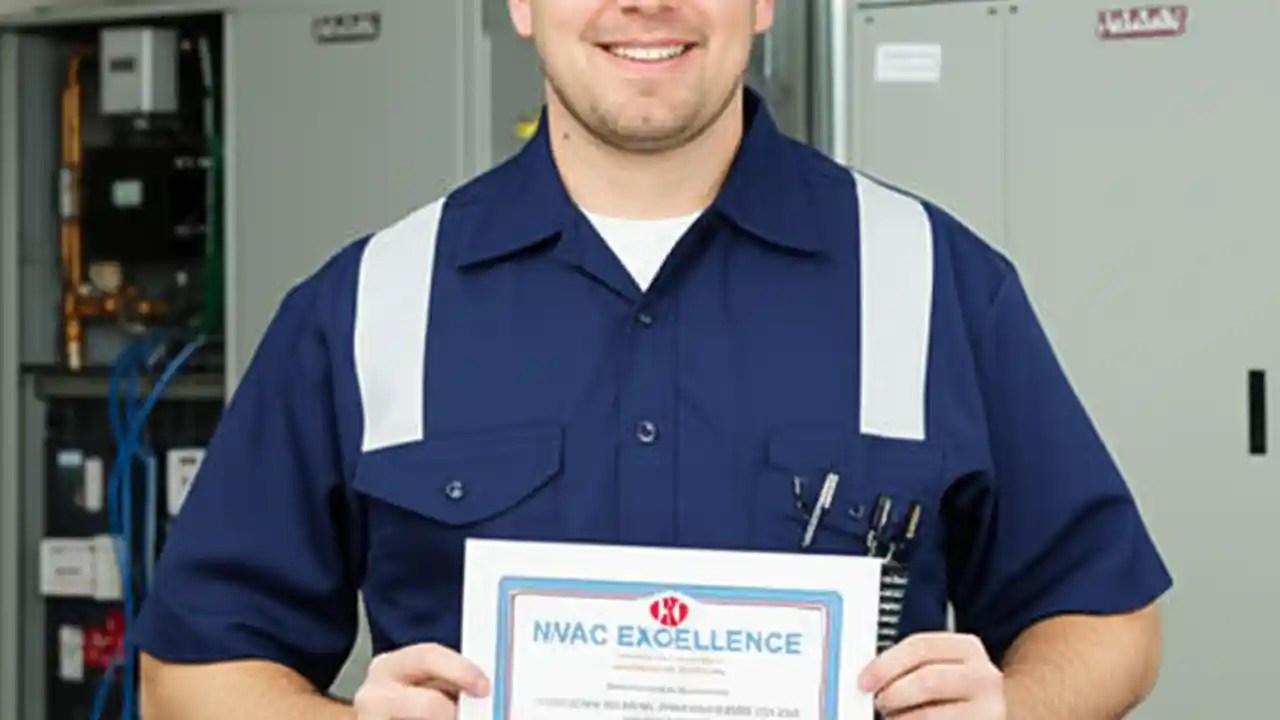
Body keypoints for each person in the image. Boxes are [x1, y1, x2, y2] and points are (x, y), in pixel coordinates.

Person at [137, 0, 1172, 717]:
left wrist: (1011, 708)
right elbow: (189, 674)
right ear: (520, 4)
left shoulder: (936, 279)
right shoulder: (365, 302)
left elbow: (1109, 623)